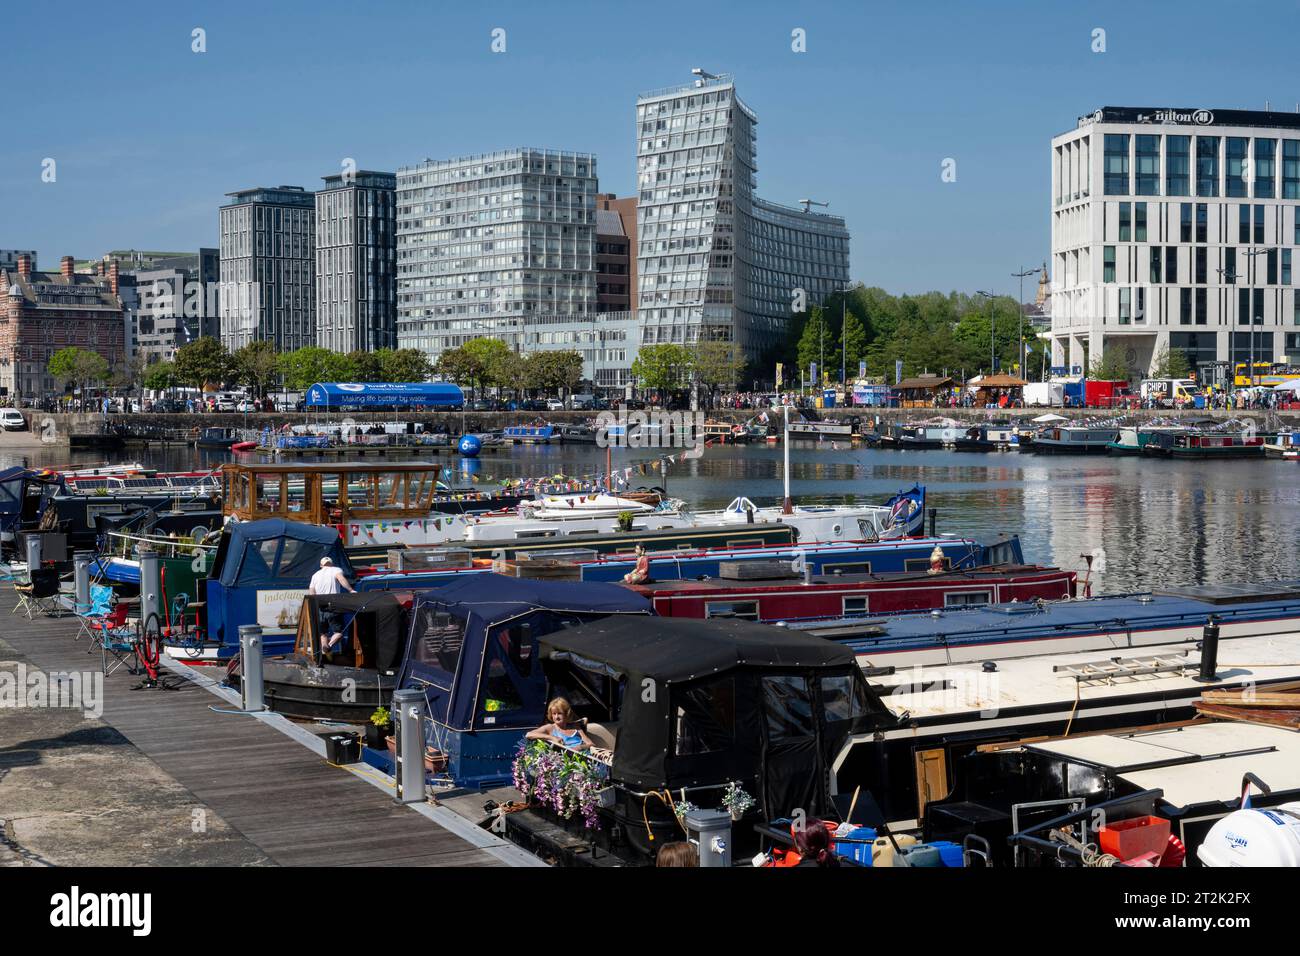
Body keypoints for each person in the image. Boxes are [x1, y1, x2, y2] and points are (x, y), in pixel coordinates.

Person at [308, 557, 354, 654]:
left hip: (320, 607)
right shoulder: (336, 570)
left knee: (323, 633)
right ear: (331, 564)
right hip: (333, 606)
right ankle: (329, 646)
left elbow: (312, 591)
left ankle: (324, 648)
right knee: (338, 633)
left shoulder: (315, 575)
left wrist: (315, 604)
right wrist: (351, 590)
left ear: (321, 565)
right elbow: (341, 579)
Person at [526, 697, 593, 751]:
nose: (556, 717)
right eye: (554, 714)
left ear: (566, 714)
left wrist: (580, 747)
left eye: (560, 713)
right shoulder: (550, 727)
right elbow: (529, 734)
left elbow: (591, 744)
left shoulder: (575, 727)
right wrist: (552, 737)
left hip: (584, 758)